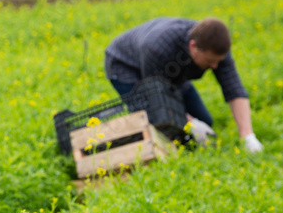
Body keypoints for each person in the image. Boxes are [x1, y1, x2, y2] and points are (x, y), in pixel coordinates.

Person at [104, 17, 263, 153]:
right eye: (209, 61)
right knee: (155, 121)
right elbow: (157, 99)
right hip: (126, 65)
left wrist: (247, 136)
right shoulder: (158, 47)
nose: (215, 66)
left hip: (172, 72)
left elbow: (234, 89)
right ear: (193, 47)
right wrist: (189, 123)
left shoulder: (215, 48)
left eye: (217, 62)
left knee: (204, 121)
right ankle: (120, 149)